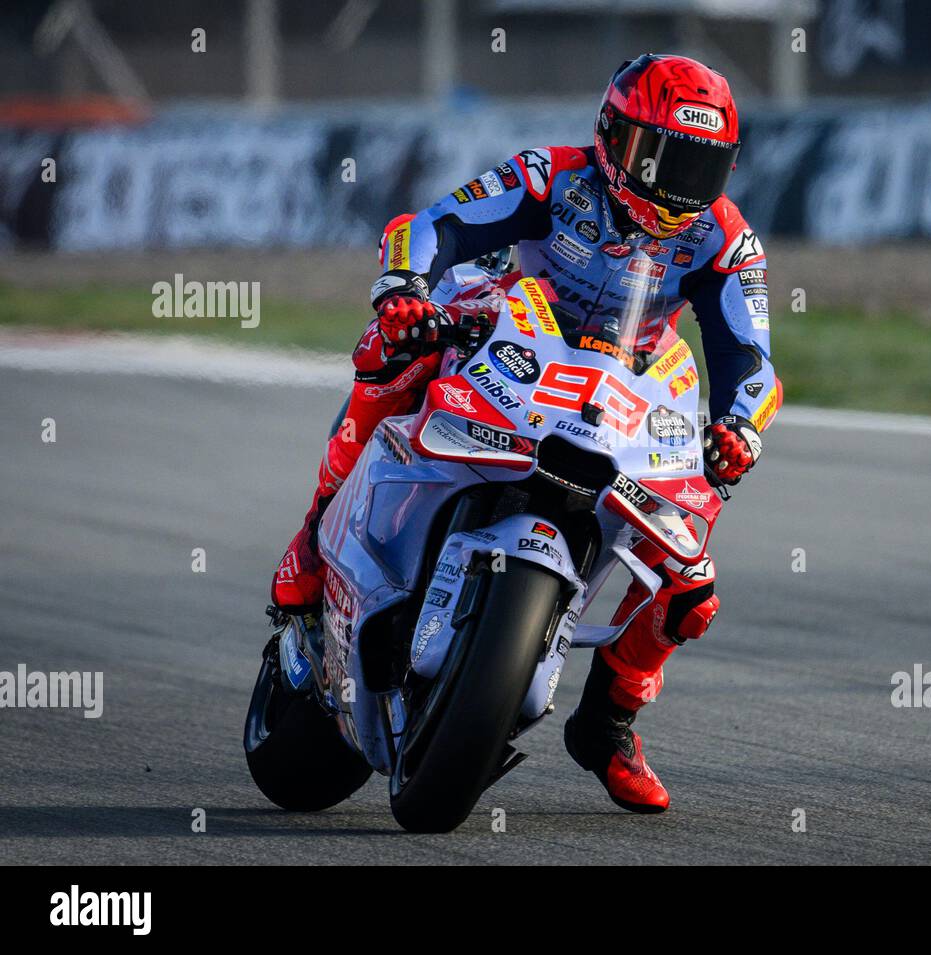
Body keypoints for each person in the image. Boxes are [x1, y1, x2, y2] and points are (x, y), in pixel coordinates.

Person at [272, 53, 781, 813]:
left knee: (692, 583)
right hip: (509, 330)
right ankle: (315, 540)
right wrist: (405, 290)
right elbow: (437, 226)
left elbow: (752, 362)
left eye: (700, 168)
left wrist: (739, 425)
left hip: (626, 390)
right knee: (393, 355)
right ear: (613, 135)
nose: (677, 188)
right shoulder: (553, 174)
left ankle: (608, 720)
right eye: (661, 158)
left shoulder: (725, 240)